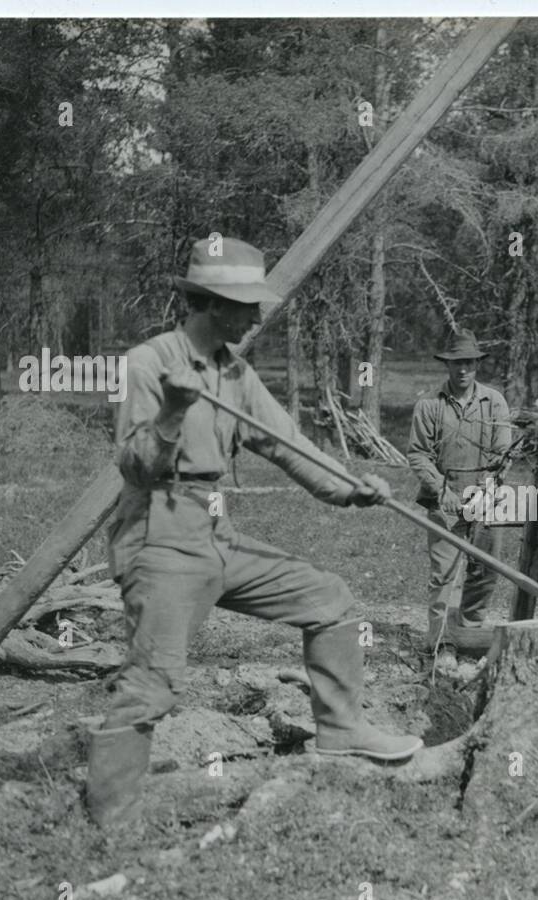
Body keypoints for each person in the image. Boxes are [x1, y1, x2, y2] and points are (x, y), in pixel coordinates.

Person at [88, 236, 421, 832]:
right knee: (154, 684)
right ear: (214, 303)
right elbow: (134, 465)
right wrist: (169, 413)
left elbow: (286, 442)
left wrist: (353, 486)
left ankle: (343, 730)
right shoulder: (149, 362)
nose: (257, 315)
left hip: (217, 533)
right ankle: (113, 821)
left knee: (329, 600)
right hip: (161, 537)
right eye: (247, 305)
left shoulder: (235, 374)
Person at [405, 328, 511, 647]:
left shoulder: (494, 402)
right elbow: (418, 454)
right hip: (444, 504)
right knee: (444, 575)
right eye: (456, 363)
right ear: (447, 365)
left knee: (485, 573)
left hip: (487, 501)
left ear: (477, 364)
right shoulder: (429, 406)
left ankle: (470, 633)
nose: (462, 369)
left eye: (468, 362)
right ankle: (440, 645)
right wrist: (442, 491)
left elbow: (502, 453)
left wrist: (487, 486)